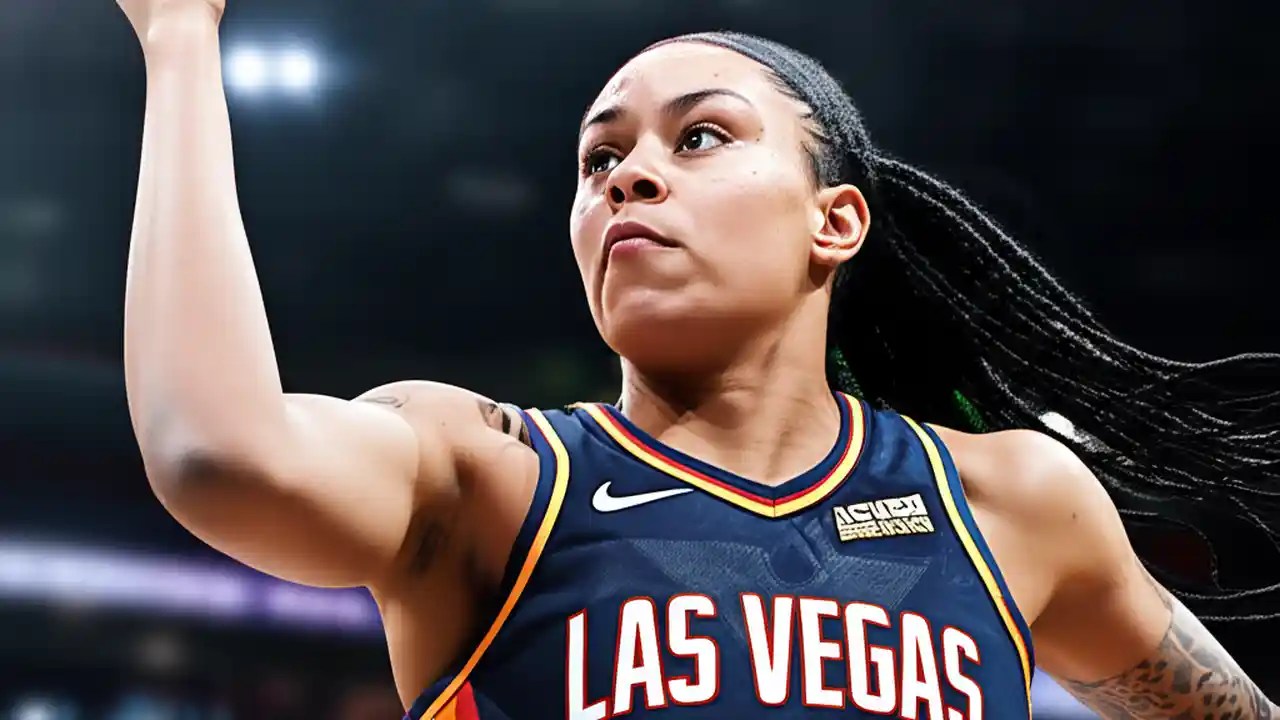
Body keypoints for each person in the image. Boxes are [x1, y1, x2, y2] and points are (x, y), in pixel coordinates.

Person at [116, 0, 1280, 718]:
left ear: (833, 222)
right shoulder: (490, 473)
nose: (625, 174)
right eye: (596, 160)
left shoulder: (1010, 501)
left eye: (701, 136)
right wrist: (179, 34)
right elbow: (215, 452)